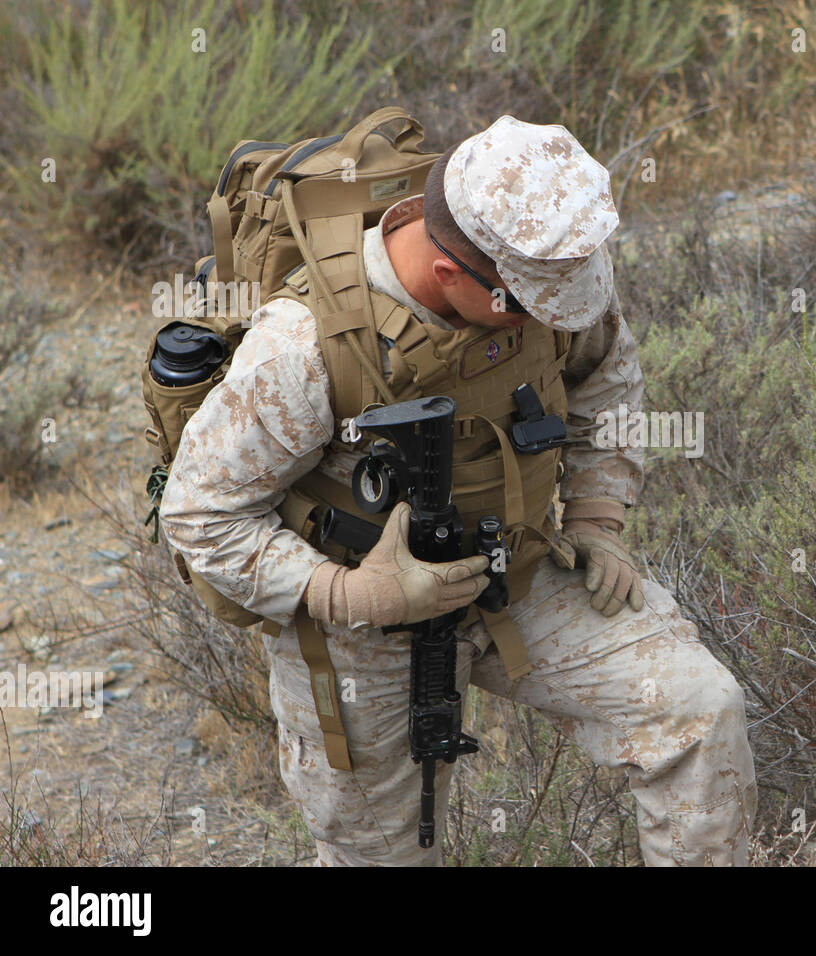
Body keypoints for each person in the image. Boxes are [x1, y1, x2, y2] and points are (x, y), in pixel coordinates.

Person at [159, 114, 757, 866]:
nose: (555, 315)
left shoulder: (534, 268)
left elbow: (606, 376)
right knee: (379, 853)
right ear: (450, 275)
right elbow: (201, 514)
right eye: (533, 302)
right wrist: (346, 595)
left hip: (519, 568)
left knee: (699, 713)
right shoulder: (302, 348)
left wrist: (599, 518)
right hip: (360, 619)